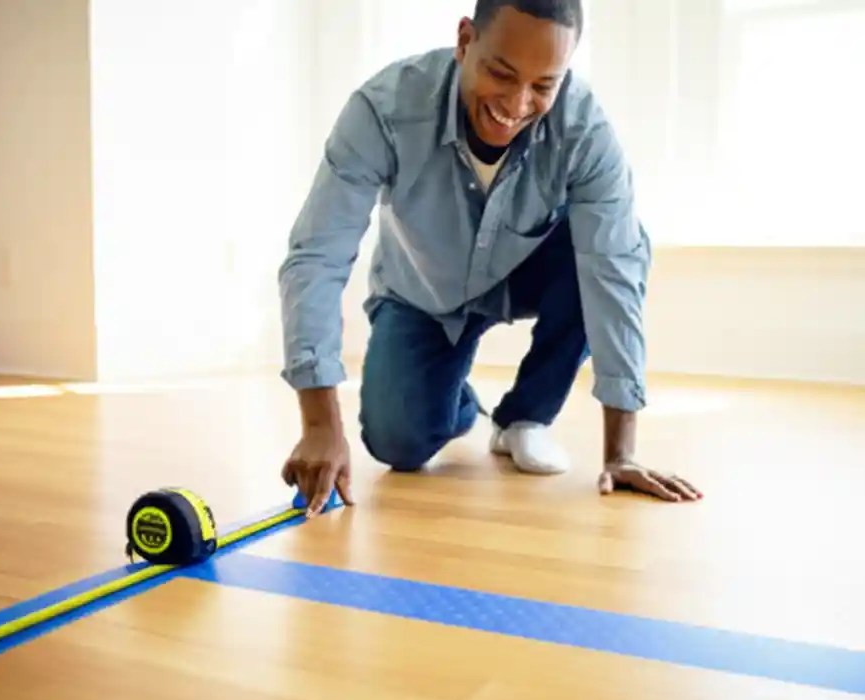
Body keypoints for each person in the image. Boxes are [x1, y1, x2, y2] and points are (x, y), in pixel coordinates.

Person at [277, 0, 702, 516]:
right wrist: (320, 425)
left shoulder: (585, 130)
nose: (517, 103)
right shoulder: (384, 110)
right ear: (464, 42)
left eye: (543, 86)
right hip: (423, 291)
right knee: (398, 445)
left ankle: (525, 416)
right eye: (501, 73)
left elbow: (614, 270)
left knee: (615, 242)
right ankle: (457, 400)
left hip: (531, 273)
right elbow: (317, 254)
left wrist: (622, 452)